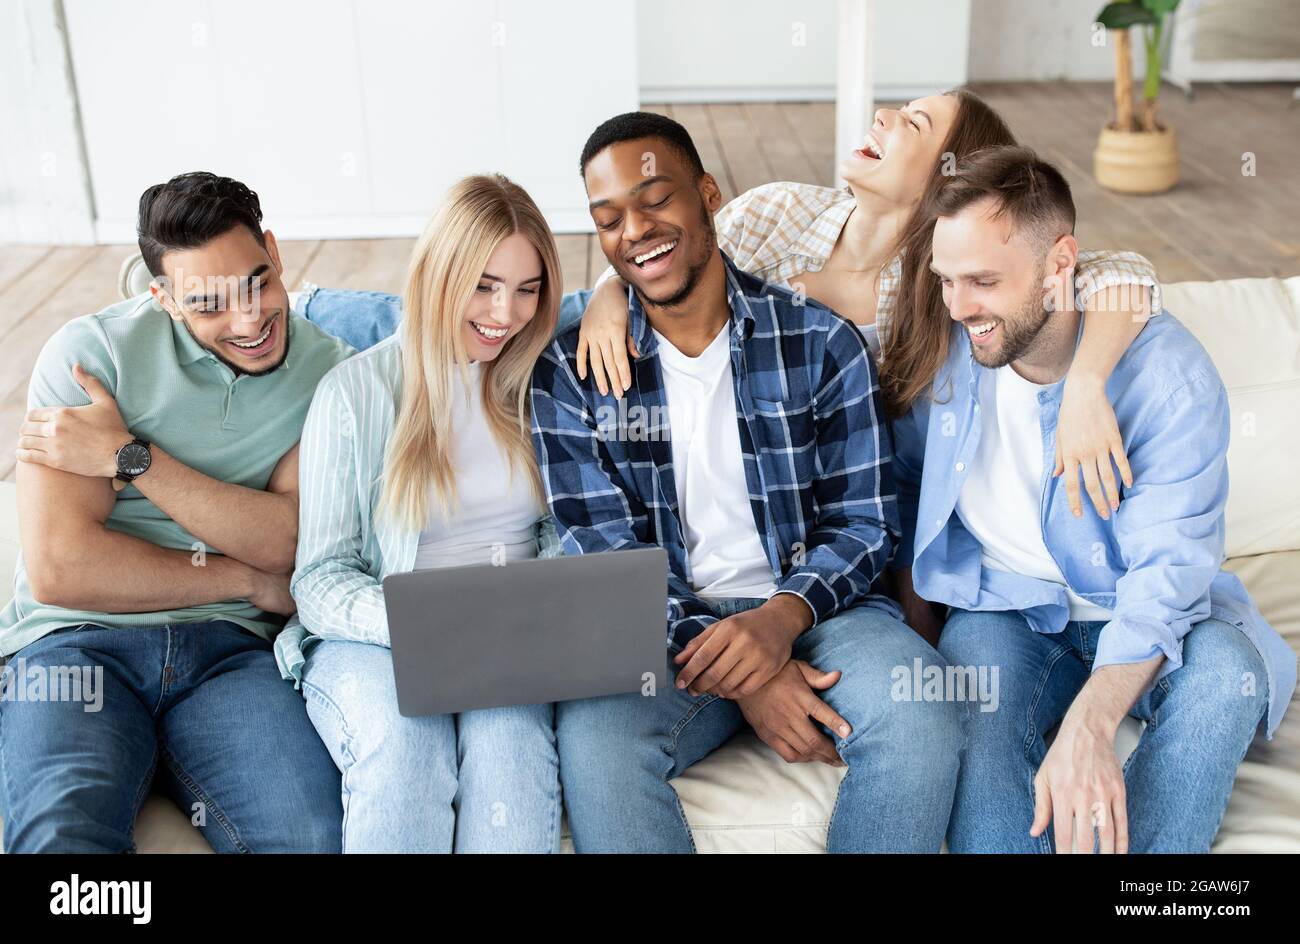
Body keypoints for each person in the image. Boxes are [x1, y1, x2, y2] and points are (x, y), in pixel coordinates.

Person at [530, 112, 964, 853]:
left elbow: (865, 523)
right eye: (609, 220)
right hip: (660, 632)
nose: (635, 230)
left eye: (655, 199)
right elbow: (604, 554)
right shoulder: (568, 375)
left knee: (922, 711)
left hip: (824, 616)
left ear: (707, 195)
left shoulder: (820, 340)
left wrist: (781, 619)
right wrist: (750, 675)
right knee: (599, 748)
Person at [574, 90, 1160, 591]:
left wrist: (1086, 383)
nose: (883, 114)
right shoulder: (778, 212)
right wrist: (607, 293)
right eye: (899, 110)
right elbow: (663, 255)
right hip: (729, 502)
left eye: (914, 124)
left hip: (846, 528)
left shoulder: (949, 286)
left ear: (949, 175)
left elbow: (1123, 274)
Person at [891, 146, 1296, 853]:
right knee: (971, 717)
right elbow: (899, 487)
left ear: (1059, 264)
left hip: (1142, 608)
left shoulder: (1168, 377)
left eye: (983, 281)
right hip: (1004, 613)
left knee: (1226, 681)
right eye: (946, 280)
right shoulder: (943, 348)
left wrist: (1093, 720)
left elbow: (1170, 573)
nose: (959, 307)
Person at [1, 172, 352, 852]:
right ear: (161, 297)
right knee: (61, 837)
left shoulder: (331, 375)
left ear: (276, 253)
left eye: (257, 283)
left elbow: (285, 542)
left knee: (311, 834)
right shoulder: (88, 357)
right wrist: (246, 581)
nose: (249, 320)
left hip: (231, 658)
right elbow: (62, 570)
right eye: (210, 304)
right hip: (76, 644)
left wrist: (134, 459)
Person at [276, 174, 567, 853]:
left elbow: (556, 530)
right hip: (377, 638)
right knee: (405, 742)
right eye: (486, 284)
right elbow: (319, 576)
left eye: (528, 289)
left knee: (512, 748)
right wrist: (427, 628)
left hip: (507, 637)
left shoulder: (538, 386)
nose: (507, 312)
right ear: (440, 275)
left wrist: (535, 602)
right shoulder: (356, 393)